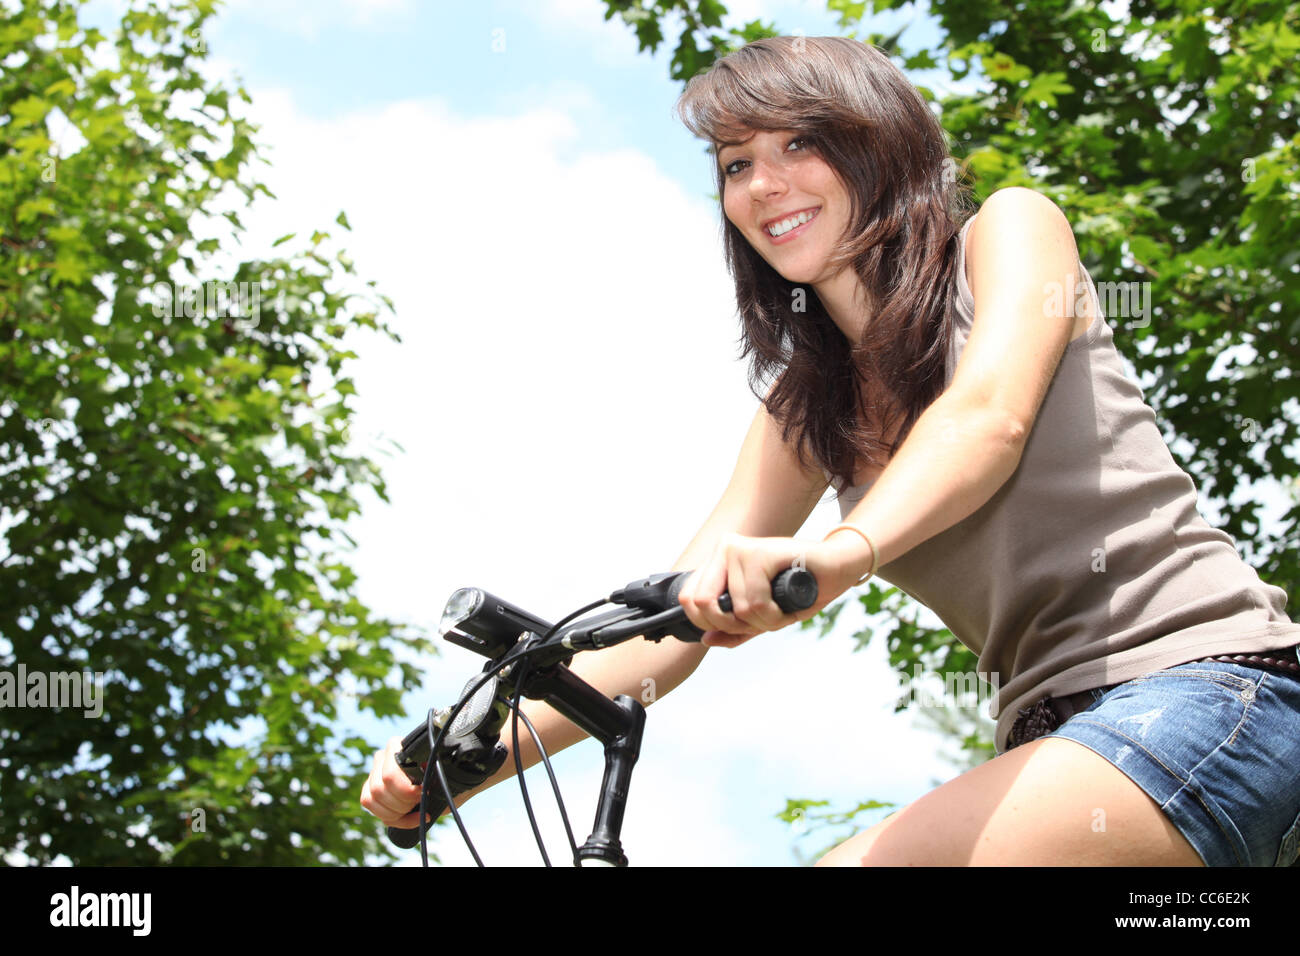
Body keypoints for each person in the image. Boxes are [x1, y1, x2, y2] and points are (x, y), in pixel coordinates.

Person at [361, 36, 1300, 866]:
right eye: (734, 164)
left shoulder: (1006, 235)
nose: (762, 184)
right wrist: (455, 757)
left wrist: (833, 554)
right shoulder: (803, 411)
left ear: (876, 142)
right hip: (1046, 747)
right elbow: (666, 631)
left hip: (1211, 691)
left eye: (797, 143)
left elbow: (986, 420)